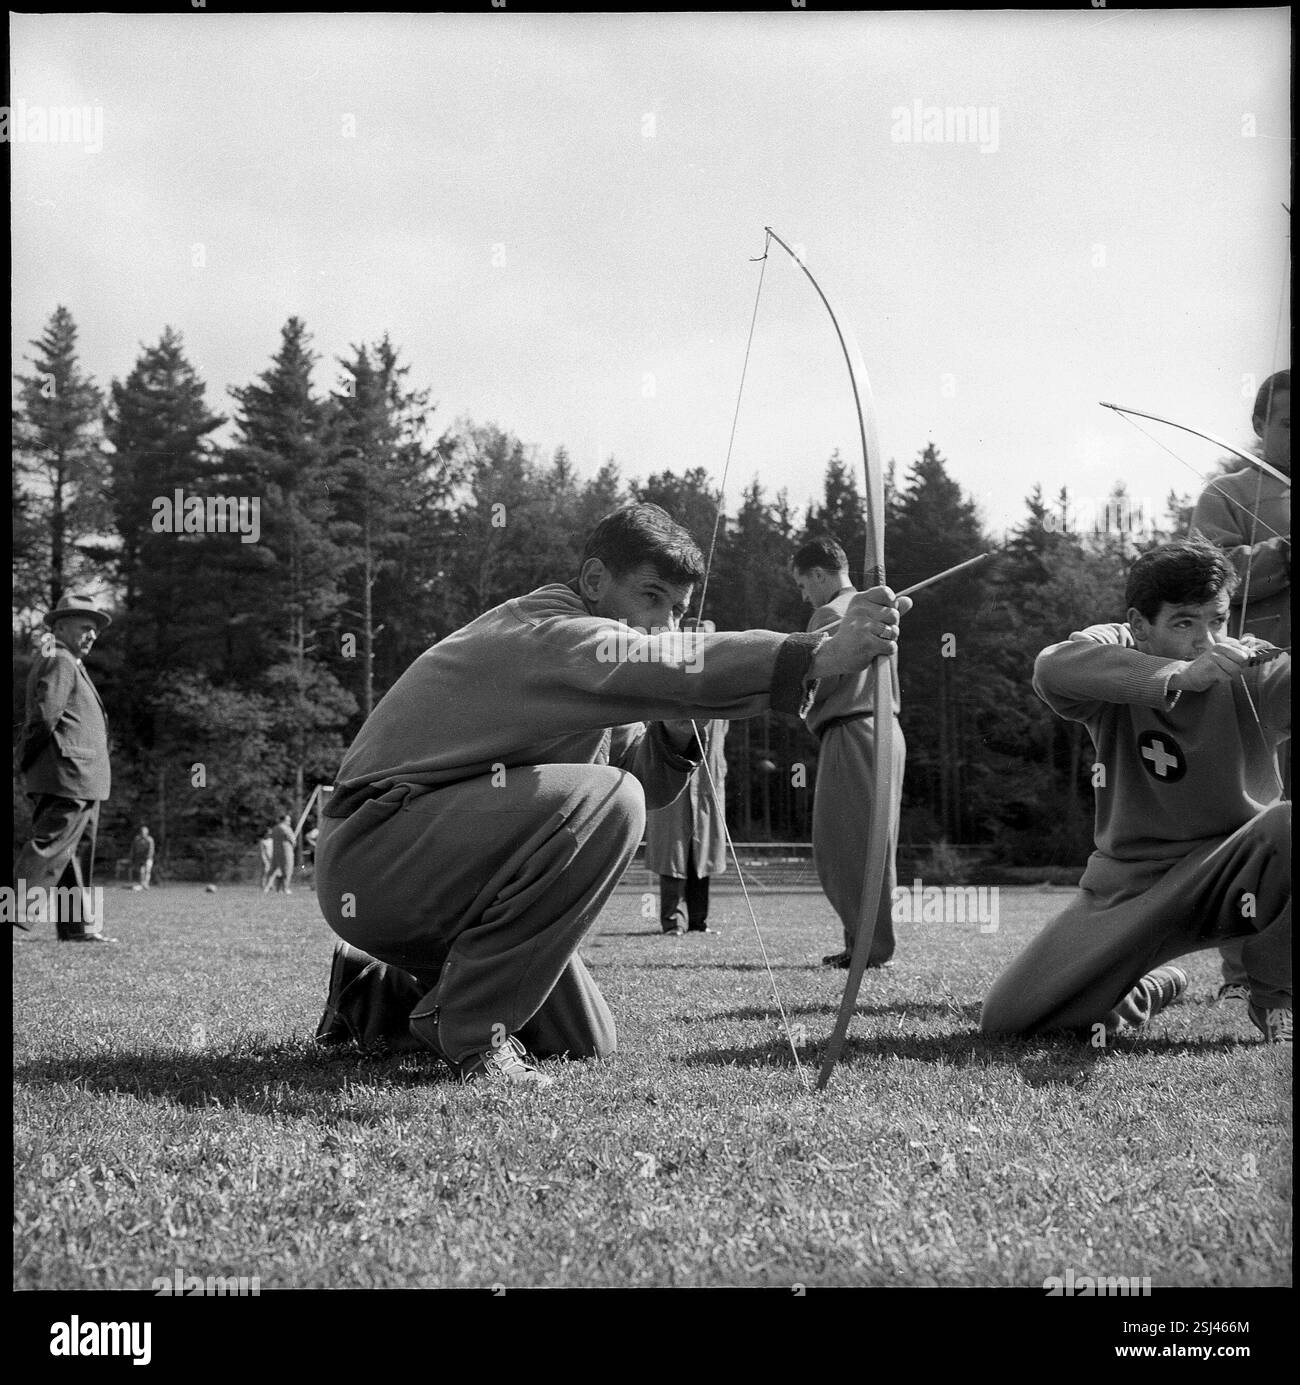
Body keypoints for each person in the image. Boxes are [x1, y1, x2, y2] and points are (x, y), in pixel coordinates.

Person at [314, 503, 909, 1087]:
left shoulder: (597, 668)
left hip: (435, 872)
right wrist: (819, 654)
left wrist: (677, 727)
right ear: (595, 580)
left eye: (677, 610)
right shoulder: (550, 631)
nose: (665, 625)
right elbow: (624, 757)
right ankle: (467, 1032)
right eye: (651, 597)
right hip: (374, 854)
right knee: (610, 798)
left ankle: (375, 991)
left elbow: (641, 781)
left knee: (584, 1042)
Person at [981, 539, 1290, 1045]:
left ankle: (1278, 997)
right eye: (1184, 623)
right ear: (1139, 625)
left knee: (1288, 822)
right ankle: (1152, 984)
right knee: (1008, 1021)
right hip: (1129, 888)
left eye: (1218, 620)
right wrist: (1179, 676)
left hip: (1231, 873)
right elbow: (1053, 667)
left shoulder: (1252, 669)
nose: (1208, 641)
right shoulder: (1117, 670)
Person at [1190, 370, 1290, 1004]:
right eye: (1289, 423)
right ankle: (1248, 974)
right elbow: (1210, 581)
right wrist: (1285, 551)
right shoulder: (1226, 494)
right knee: (1261, 819)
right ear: (1259, 427)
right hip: (1264, 680)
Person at [791, 535, 905, 970]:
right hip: (884, 729)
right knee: (872, 844)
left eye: (804, 585)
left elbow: (812, 678)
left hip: (852, 730)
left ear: (820, 574)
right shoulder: (875, 607)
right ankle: (865, 943)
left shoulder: (831, 613)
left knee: (842, 847)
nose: (805, 596)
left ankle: (870, 948)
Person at [13, 593, 115, 943]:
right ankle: (10, 917)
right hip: (66, 774)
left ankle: (77, 929)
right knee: (48, 847)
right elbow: (43, 718)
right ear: (60, 626)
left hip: (83, 777)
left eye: (96, 630)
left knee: (74, 855)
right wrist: (26, 759)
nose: (92, 635)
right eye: (86, 627)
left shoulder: (70, 662)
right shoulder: (58, 659)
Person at [644, 620, 728, 935]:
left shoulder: (720, 691)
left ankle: (698, 921)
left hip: (707, 784)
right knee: (673, 855)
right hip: (673, 782)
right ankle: (672, 923)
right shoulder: (665, 683)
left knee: (700, 855)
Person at [268, 813, 296, 894]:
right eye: (288, 820)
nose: (289, 822)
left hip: (277, 851)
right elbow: (293, 841)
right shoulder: (285, 828)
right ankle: (285, 888)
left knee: (278, 869)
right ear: (284, 820)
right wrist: (293, 840)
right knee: (287, 869)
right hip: (286, 851)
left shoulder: (275, 828)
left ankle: (277, 889)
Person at [128, 825, 155, 889]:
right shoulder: (137, 839)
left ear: (147, 833)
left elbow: (151, 850)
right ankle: (142, 883)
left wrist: (148, 857)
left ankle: (146, 883)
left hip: (148, 858)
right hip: (140, 858)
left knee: (147, 870)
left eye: (145, 832)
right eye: (142, 832)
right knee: (141, 871)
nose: (143, 834)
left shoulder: (150, 840)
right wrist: (132, 856)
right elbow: (133, 848)